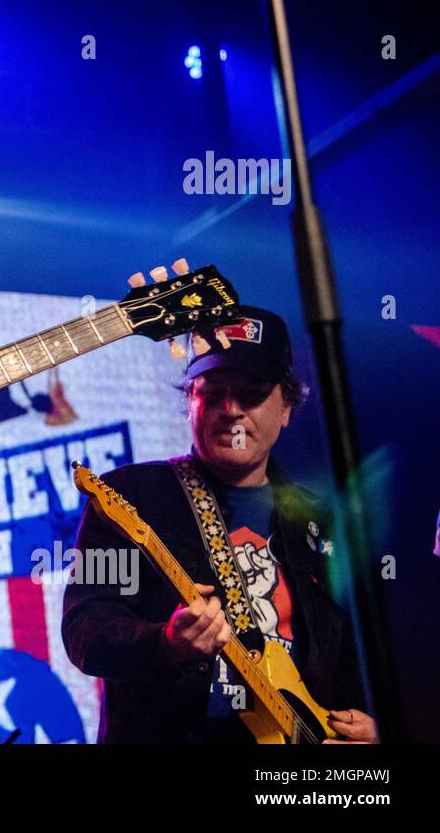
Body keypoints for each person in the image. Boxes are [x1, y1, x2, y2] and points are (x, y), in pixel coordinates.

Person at [61, 305, 376, 743]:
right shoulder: (129, 496)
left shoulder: (321, 523)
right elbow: (85, 629)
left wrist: (365, 725)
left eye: (250, 393)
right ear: (189, 401)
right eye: (212, 391)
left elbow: (350, 656)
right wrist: (164, 643)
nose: (230, 409)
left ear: (286, 406)